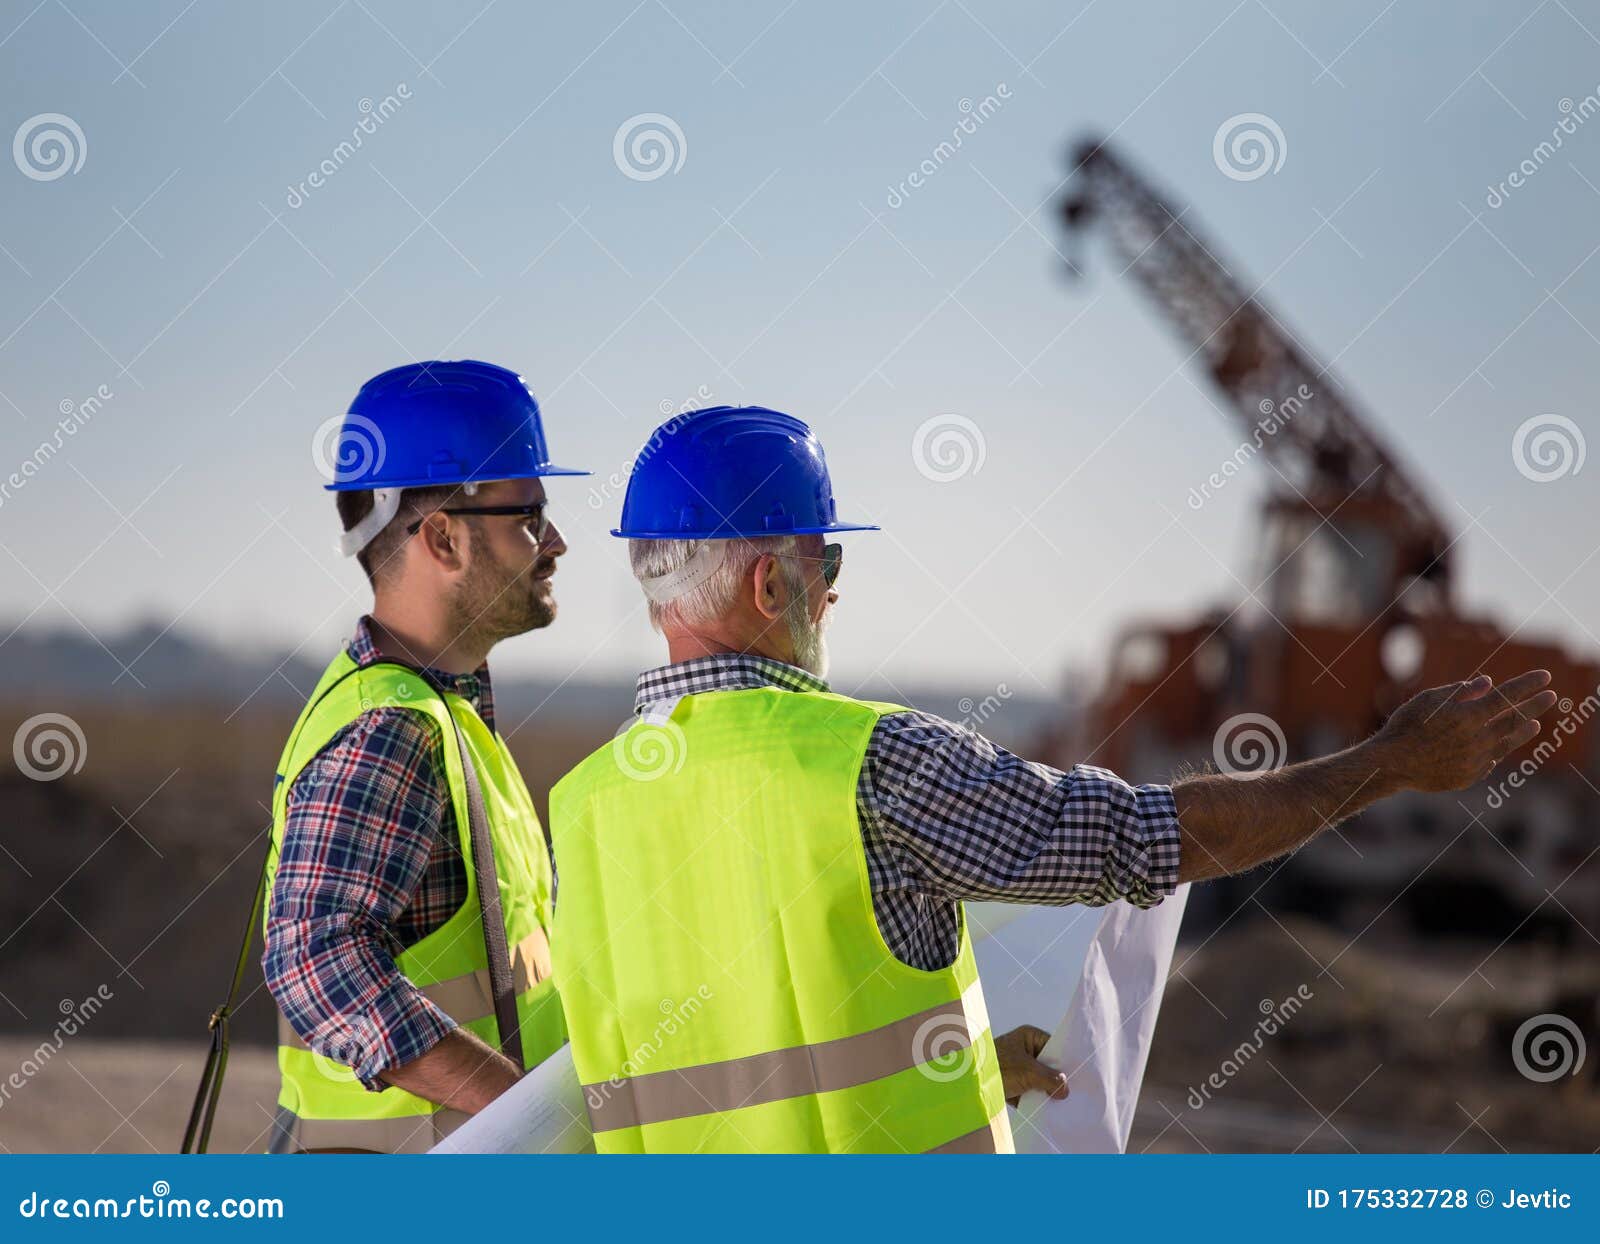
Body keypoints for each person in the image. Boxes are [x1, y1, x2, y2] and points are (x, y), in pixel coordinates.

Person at [547, 405, 1556, 1154]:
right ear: (773, 583)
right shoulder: (869, 760)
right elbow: (1147, 841)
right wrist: (1388, 762)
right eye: (827, 567)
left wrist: (958, 1066)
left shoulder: (587, 803)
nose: (834, 592)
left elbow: (731, 1066)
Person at [259, 360, 585, 1152]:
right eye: (530, 516)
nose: (558, 543)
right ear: (442, 535)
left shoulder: (440, 710)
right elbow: (314, 956)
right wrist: (523, 1114)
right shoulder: (390, 729)